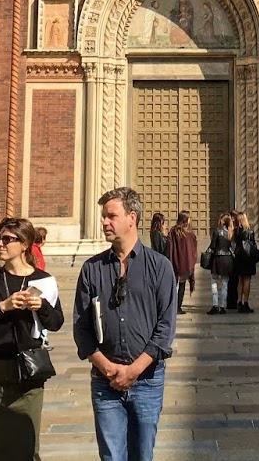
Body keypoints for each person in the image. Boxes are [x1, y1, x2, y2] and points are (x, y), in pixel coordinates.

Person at [73, 187, 178, 461]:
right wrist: (107, 367)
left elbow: (166, 327)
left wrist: (134, 370)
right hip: (104, 381)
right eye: (103, 216)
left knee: (142, 455)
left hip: (147, 380)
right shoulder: (91, 268)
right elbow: (81, 327)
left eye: (111, 216)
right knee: (111, 456)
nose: (104, 222)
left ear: (132, 217)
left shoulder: (160, 266)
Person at [0, 216, 64, 461]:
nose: (0, 244)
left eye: (7, 239)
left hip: (28, 374)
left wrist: (42, 306)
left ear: (24, 244)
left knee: (27, 448)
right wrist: (2, 307)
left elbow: (56, 322)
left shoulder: (43, 280)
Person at [166, 213, 198, 312]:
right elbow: (192, 248)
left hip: (175, 261)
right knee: (182, 284)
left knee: (174, 285)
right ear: (185, 220)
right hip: (184, 263)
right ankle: (178, 306)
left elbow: (169, 245)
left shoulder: (173, 231)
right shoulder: (189, 233)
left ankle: (173, 306)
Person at [231, 210, 259, 313]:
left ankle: (239, 301)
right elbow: (253, 244)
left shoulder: (236, 231)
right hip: (247, 257)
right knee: (247, 280)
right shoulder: (249, 232)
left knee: (240, 280)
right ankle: (246, 303)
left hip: (239, 257)